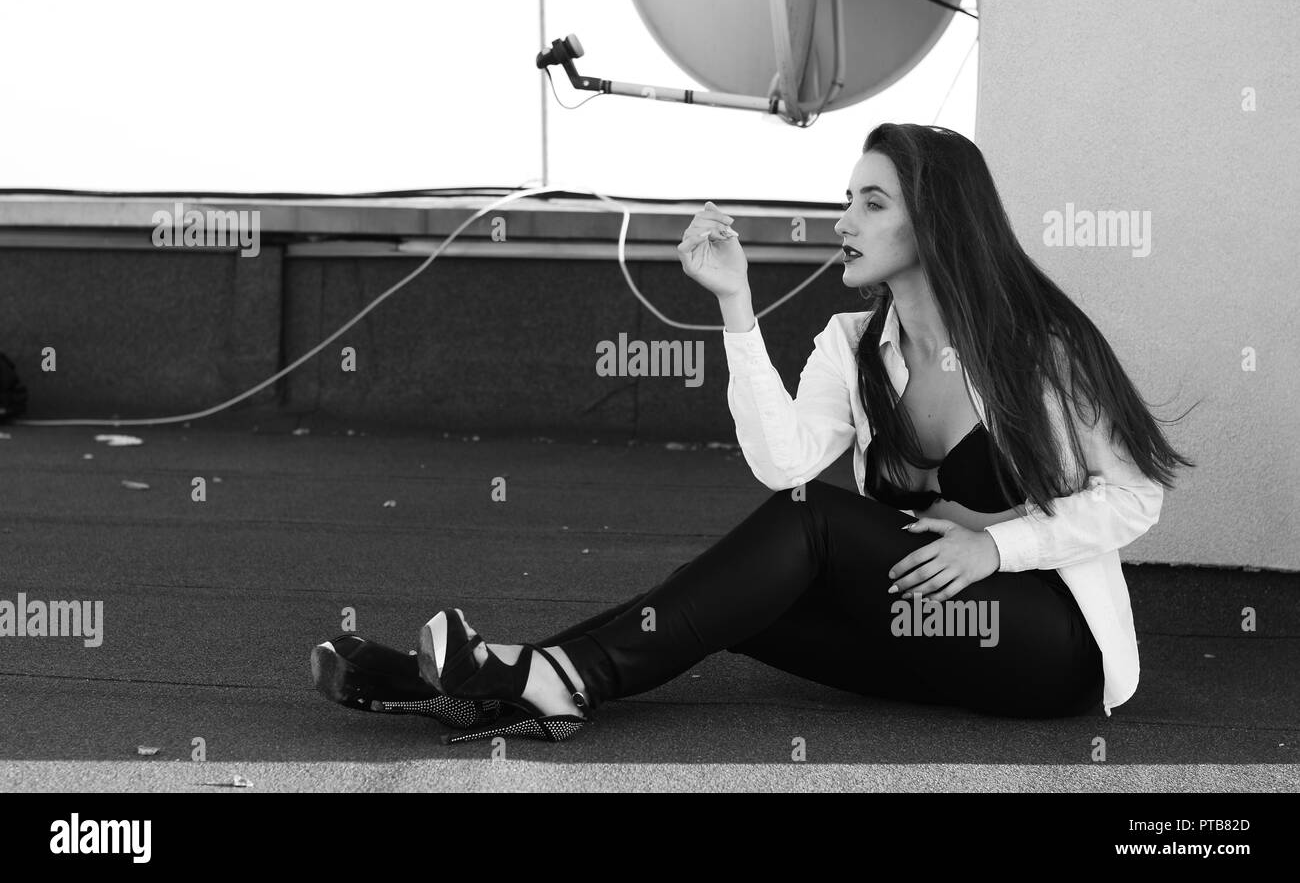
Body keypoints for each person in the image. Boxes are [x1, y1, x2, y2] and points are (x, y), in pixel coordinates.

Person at [311, 123, 1194, 745]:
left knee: (808, 525)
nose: (843, 221)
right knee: (730, 600)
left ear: (936, 222)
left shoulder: (1038, 348)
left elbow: (1135, 498)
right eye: (847, 198)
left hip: (1046, 652)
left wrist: (999, 547)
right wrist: (736, 304)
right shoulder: (855, 345)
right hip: (920, 643)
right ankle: (499, 678)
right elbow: (783, 461)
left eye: (872, 202)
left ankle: (544, 675)